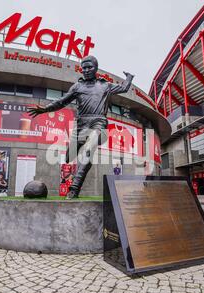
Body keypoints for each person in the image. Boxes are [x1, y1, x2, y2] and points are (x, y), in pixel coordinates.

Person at [28, 56, 134, 199]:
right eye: (83, 68)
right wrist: (45, 109)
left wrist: (129, 78)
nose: (86, 70)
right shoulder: (77, 86)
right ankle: (75, 150)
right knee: (69, 156)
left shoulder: (105, 85)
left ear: (96, 68)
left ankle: (74, 189)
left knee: (88, 151)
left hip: (98, 122)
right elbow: (61, 101)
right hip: (81, 125)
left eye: (89, 67)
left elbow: (124, 88)